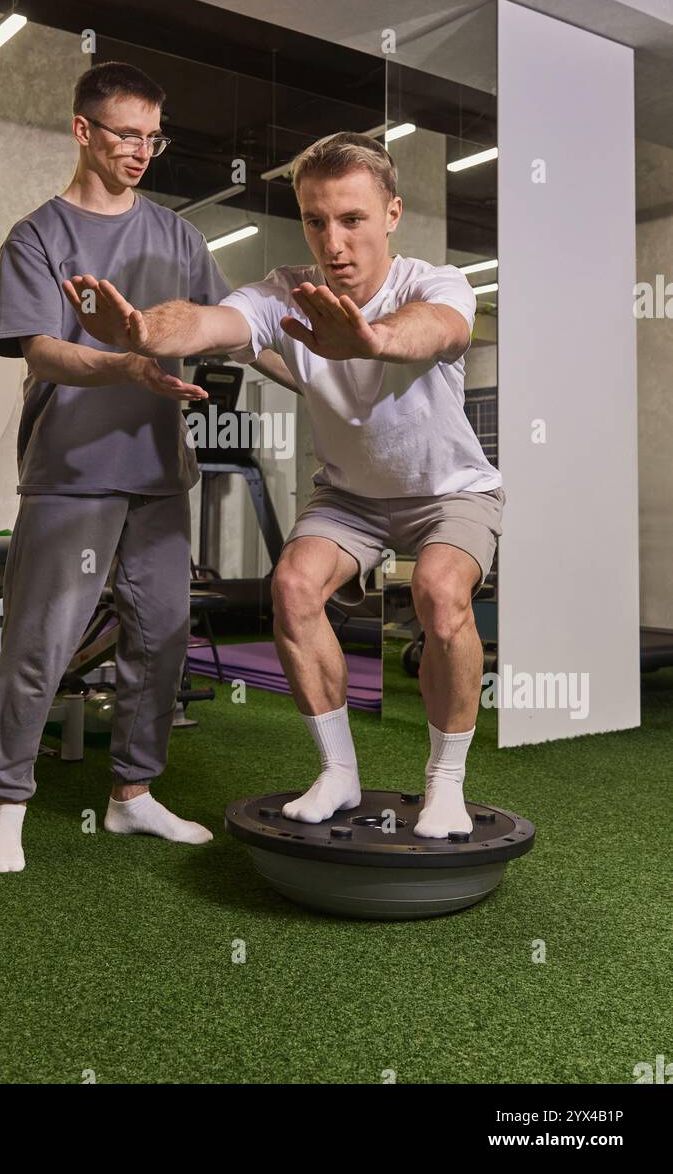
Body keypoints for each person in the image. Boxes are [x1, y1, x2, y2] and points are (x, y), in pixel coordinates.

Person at [62, 131, 504, 839]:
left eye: (352, 219)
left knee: (439, 594)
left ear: (391, 214)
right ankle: (337, 772)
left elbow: (442, 329)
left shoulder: (433, 281)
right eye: (316, 220)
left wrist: (372, 340)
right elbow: (213, 320)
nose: (334, 241)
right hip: (351, 498)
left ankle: (445, 783)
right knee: (293, 588)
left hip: (449, 489)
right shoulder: (286, 291)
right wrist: (146, 330)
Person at [0, 60, 297, 871]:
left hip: (157, 473)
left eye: (154, 137)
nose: (142, 151)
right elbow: (42, 352)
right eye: (127, 134)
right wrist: (125, 364)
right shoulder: (38, 235)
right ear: (83, 130)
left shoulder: (180, 235)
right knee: (41, 640)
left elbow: (231, 328)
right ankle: (7, 807)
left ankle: (132, 796)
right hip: (70, 472)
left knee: (160, 637)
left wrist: (330, 380)